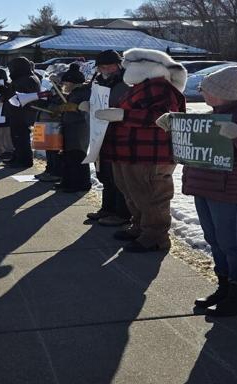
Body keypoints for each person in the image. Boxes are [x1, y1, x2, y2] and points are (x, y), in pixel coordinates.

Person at [160, 63, 237, 316]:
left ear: (226, 92)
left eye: (207, 89)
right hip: (205, 188)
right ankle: (225, 287)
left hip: (233, 192)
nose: (202, 92)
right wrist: (175, 128)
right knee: (215, 240)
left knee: (232, 243)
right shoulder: (208, 117)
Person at [95, 48, 187, 253]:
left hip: (150, 154)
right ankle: (140, 227)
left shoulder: (160, 87)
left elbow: (164, 117)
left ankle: (155, 236)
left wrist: (122, 115)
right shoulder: (142, 86)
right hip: (131, 151)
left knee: (151, 196)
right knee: (133, 194)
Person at [84, 51, 131, 226]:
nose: (105, 69)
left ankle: (122, 213)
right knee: (104, 173)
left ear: (118, 65)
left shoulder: (127, 82)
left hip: (119, 133)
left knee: (117, 176)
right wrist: (89, 106)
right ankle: (108, 208)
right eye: (102, 67)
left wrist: (118, 114)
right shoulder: (98, 81)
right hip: (101, 132)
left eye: (109, 66)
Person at [37, 64, 90, 191]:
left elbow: (84, 110)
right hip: (69, 128)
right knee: (67, 157)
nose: (64, 85)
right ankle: (67, 181)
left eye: (66, 82)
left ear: (73, 82)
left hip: (78, 130)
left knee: (77, 158)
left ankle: (79, 184)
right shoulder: (73, 93)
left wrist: (74, 107)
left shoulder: (83, 93)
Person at [0, 56, 42, 170]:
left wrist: (2, 90)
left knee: (21, 137)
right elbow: (13, 92)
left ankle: (24, 160)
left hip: (22, 113)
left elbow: (19, 97)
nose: (10, 71)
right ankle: (17, 157)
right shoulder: (23, 77)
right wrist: (3, 89)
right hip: (17, 112)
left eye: (12, 69)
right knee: (16, 137)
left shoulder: (28, 79)